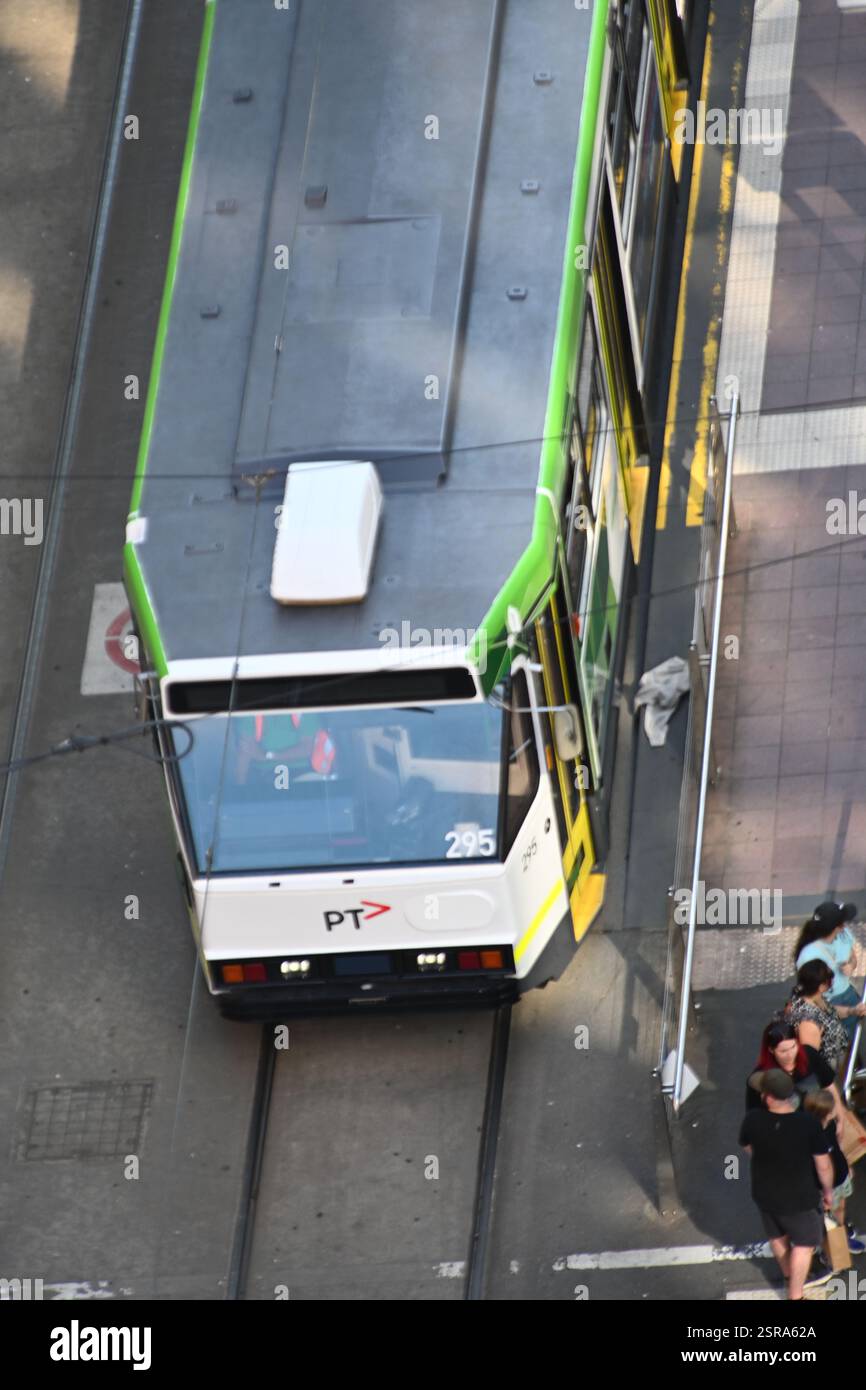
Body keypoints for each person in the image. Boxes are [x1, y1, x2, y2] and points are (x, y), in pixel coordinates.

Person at [739, 1070, 836, 1299]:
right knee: (804, 1245)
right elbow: (823, 1166)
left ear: (769, 1097)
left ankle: (788, 1276)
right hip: (799, 1198)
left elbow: (747, 1148)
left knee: (777, 1238)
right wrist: (828, 1192)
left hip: (764, 1194)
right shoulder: (808, 1124)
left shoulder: (752, 1119)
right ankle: (795, 1294)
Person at [803, 1089, 866, 1255]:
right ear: (826, 1113)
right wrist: (827, 1191)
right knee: (826, 1220)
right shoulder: (814, 1136)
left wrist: (846, 1166)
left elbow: (837, 1148)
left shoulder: (829, 1125)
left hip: (840, 1177)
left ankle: (840, 1237)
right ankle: (834, 1253)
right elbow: (822, 1166)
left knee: (839, 1211)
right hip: (827, 1186)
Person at [746, 1020, 843, 1125]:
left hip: (819, 1125)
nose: (790, 1055)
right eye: (783, 1051)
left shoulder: (809, 1055)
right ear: (771, 1050)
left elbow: (829, 1085)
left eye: (793, 1047)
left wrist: (841, 1117)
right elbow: (754, 1117)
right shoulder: (760, 1077)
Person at [795, 902, 865, 1046]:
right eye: (842, 923)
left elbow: (852, 957)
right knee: (843, 1046)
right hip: (828, 1003)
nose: (845, 926)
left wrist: (851, 966)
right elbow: (816, 1001)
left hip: (849, 993)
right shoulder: (808, 958)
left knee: (858, 1036)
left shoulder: (843, 935)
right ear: (835, 928)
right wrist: (850, 1011)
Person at [787, 960, 850, 1073]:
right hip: (832, 1064)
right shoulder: (808, 1021)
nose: (831, 983)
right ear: (821, 986)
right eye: (829, 981)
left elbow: (830, 1011)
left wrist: (852, 1011)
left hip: (840, 1051)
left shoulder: (808, 993)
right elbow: (812, 1056)